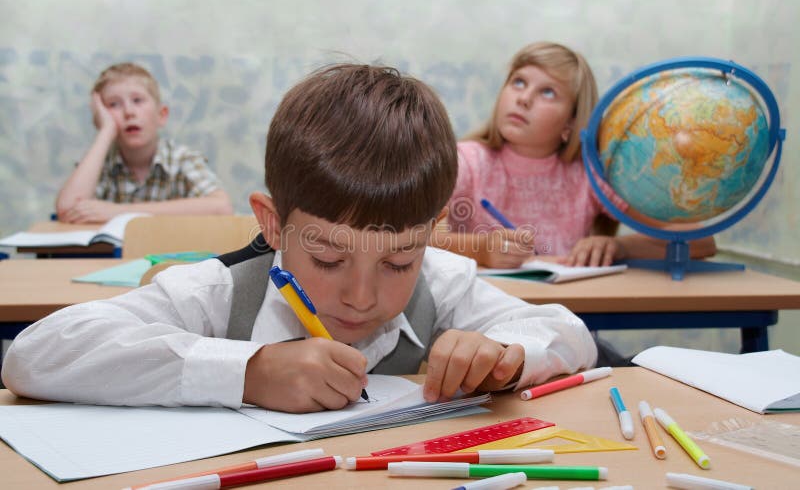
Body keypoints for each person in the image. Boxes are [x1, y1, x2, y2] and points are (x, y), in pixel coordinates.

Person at [3, 64, 597, 413]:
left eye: (397, 264)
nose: (361, 298)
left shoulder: (443, 283)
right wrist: (249, 370)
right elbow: (34, 356)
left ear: (433, 230)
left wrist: (508, 356)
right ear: (273, 223)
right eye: (328, 257)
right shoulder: (220, 292)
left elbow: (570, 334)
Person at [433, 42, 716, 268]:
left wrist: (619, 247)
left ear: (571, 122)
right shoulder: (466, 162)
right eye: (518, 82)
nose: (524, 98)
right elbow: (408, 238)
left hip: (570, 322)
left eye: (547, 92)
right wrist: (480, 250)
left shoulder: (589, 175)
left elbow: (701, 241)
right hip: (485, 328)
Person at [55, 62, 232, 223]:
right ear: (101, 118)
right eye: (114, 104)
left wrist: (118, 212)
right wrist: (105, 132)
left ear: (161, 115)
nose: (129, 112)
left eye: (137, 100)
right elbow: (67, 209)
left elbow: (221, 207)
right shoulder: (99, 165)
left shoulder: (182, 159)